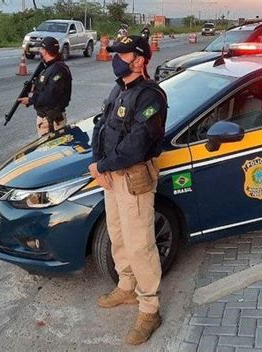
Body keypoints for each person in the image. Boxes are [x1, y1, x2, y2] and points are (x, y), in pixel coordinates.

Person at [89, 35, 167, 345]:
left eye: (123, 54)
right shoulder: (119, 89)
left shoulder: (151, 96)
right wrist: (97, 162)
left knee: (140, 245)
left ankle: (150, 308)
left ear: (140, 59)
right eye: (116, 53)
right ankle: (126, 287)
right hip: (110, 175)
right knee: (118, 235)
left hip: (133, 177)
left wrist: (103, 166)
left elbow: (137, 143)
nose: (116, 58)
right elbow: (101, 126)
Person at [18, 36, 72, 137]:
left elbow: (50, 95)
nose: (40, 51)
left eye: (41, 49)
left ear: (46, 51)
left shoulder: (57, 69)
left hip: (51, 121)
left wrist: (31, 100)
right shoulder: (50, 67)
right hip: (48, 118)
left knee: (50, 151)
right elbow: (45, 88)